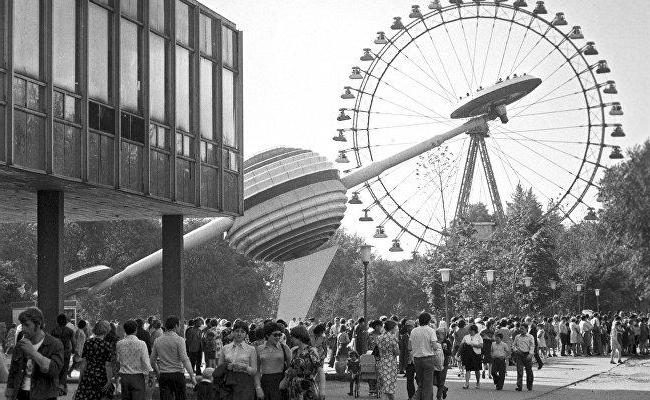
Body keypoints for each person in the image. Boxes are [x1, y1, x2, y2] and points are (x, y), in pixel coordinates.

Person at [5, 307, 64, 400]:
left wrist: (32, 352)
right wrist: (9, 392)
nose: (23, 328)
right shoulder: (21, 345)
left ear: (38, 324)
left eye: (27, 325)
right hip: (21, 394)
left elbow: (55, 371)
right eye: (22, 324)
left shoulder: (54, 344)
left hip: (44, 395)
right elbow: (13, 370)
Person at [150, 316, 197, 400]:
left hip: (164, 375)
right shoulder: (180, 340)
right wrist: (192, 376)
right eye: (179, 325)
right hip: (178, 374)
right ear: (176, 326)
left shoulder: (157, 340)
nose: (179, 327)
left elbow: (152, 360)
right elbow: (184, 359)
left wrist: (158, 372)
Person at [74, 321, 114, 400]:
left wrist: (80, 378)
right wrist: (109, 380)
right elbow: (108, 365)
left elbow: (83, 363)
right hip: (101, 376)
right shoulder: (107, 345)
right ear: (106, 331)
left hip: (88, 374)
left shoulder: (88, 342)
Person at [218, 320, 257, 400]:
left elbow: (254, 371)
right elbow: (219, 367)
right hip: (228, 382)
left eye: (242, 332)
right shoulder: (225, 348)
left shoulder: (251, 349)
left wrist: (244, 367)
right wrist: (226, 366)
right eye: (237, 331)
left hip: (245, 383)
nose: (239, 334)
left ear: (246, 334)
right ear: (232, 332)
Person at [116, 320, 154, 400]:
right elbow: (145, 361)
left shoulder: (119, 343)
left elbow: (118, 360)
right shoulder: (141, 343)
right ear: (136, 330)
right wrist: (150, 374)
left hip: (124, 377)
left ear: (125, 330)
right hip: (137, 376)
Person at [283, 325, 322, 400]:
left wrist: (322, 389)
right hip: (294, 388)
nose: (291, 339)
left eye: (292, 337)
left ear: (299, 337)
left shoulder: (311, 351)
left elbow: (320, 370)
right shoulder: (294, 351)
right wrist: (284, 381)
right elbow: (291, 369)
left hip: (307, 387)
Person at [255, 322, 291, 400]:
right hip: (265, 382)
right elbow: (257, 371)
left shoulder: (285, 348)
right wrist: (258, 387)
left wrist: (284, 381)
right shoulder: (259, 349)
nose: (278, 337)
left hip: (280, 382)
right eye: (275, 335)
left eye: (280, 334)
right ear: (267, 335)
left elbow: (290, 368)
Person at [409, 312, 439, 400]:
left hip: (417, 359)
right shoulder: (431, 330)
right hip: (428, 358)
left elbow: (409, 347)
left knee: (421, 383)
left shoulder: (414, 331)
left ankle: (415, 398)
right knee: (428, 384)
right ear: (429, 321)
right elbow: (434, 346)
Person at [50, 313, 74, 395]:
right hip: (66, 353)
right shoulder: (70, 331)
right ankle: (61, 388)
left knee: (57, 370)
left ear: (57, 321)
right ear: (66, 321)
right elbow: (73, 342)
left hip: (56, 352)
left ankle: (59, 388)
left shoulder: (54, 331)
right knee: (64, 370)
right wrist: (74, 351)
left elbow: (51, 342)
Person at [376, 320, 399, 400]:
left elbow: (380, 351)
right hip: (391, 363)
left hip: (382, 362)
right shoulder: (393, 338)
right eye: (396, 327)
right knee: (390, 386)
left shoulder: (379, 337)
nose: (396, 329)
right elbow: (397, 352)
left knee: (383, 385)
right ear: (392, 328)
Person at [512, 323, 535, 391]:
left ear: (526, 329)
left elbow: (532, 346)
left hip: (527, 354)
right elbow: (513, 345)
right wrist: (516, 350)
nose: (521, 330)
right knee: (519, 371)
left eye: (523, 329)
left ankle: (529, 386)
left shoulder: (530, 336)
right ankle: (519, 386)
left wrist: (530, 354)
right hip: (519, 355)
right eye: (520, 329)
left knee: (529, 371)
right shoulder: (517, 336)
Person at [460, 324, 483, 389]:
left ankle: (478, 382)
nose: (470, 332)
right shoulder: (466, 337)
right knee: (467, 369)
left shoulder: (479, 337)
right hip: (467, 355)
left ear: (475, 331)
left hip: (476, 355)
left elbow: (481, 346)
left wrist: (473, 345)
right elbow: (461, 345)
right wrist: (458, 354)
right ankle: (466, 383)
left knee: (477, 369)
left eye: (471, 330)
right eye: (469, 330)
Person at [434, 328, 451, 400]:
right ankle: (443, 389)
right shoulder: (433, 341)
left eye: (440, 333)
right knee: (432, 380)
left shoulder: (447, 342)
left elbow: (449, 353)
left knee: (441, 381)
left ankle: (439, 397)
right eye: (437, 333)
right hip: (434, 363)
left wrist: (444, 349)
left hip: (444, 364)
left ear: (445, 334)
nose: (438, 335)